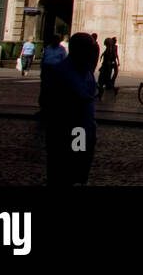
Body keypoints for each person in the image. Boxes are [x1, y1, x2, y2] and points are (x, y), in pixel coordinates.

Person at [45, 32, 98, 185]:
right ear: (79, 50)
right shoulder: (61, 71)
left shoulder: (87, 71)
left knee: (80, 168)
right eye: (90, 49)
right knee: (68, 170)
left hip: (84, 128)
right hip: (71, 129)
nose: (92, 53)